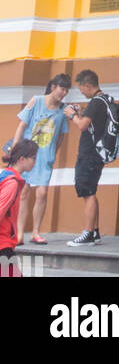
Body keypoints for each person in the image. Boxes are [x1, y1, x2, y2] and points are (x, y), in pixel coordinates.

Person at [11, 74, 70, 244]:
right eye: (62, 88)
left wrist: (54, 152)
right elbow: (21, 125)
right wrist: (16, 149)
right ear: (53, 87)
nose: (63, 92)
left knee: (42, 194)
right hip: (27, 155)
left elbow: (61, 135)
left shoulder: (62, 109)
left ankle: (36, 231)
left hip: (45, 158)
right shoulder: (36, 101)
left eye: (66, 90)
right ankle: (20, 233)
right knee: (23, 193)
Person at [63, 69, 109, 246]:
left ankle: (88, 233)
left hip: (89, 154)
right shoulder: (106, 100)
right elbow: (92, 126)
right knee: (92, 191)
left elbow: (82, 126)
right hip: (98, 153)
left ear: (88, 85)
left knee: (88, 193)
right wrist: (82, 113)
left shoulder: (96, 102)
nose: (81, 92)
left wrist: (73, 115)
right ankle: (95, 232)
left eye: (81, 88)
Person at [0, 140, 38, 277]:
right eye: (33, 158)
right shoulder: (12, 183)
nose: (35, 162)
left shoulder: (5, 176)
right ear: (22, 159)